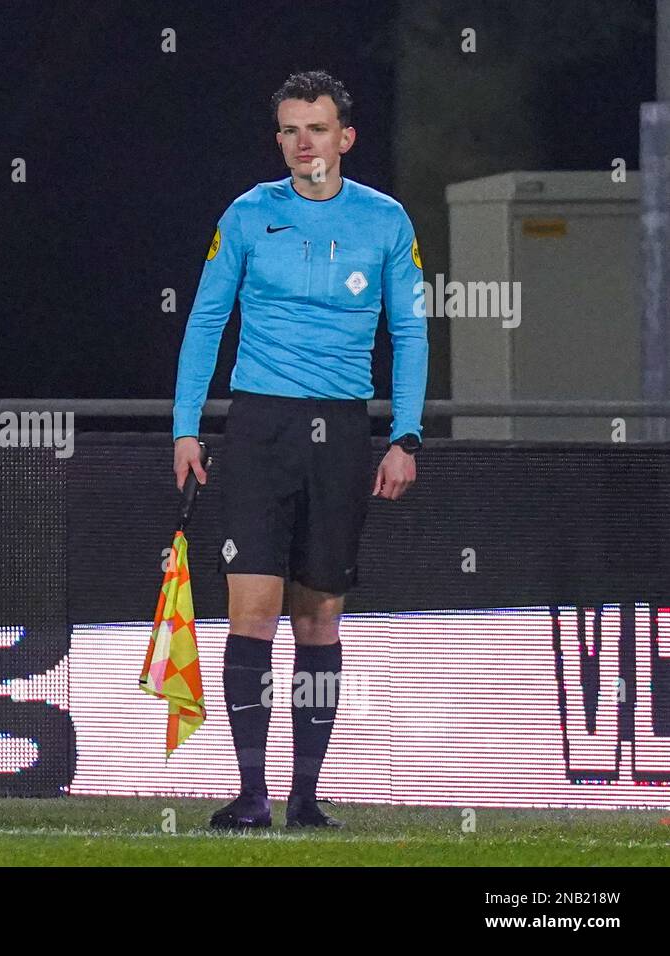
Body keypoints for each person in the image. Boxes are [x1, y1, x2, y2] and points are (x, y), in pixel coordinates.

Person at [172, 70, 428, 829]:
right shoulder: (249, 216)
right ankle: (250, 793)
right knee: (251, 611)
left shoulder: (386, 221)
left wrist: (405, 435)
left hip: (343, 432)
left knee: (319, 620)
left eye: (315, 128)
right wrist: (187, 426)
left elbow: (410, 333)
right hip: (259, 429)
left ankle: (306, 797)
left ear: (344, 138)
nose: (301, 143)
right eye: (289, 130)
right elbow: (205, 321)